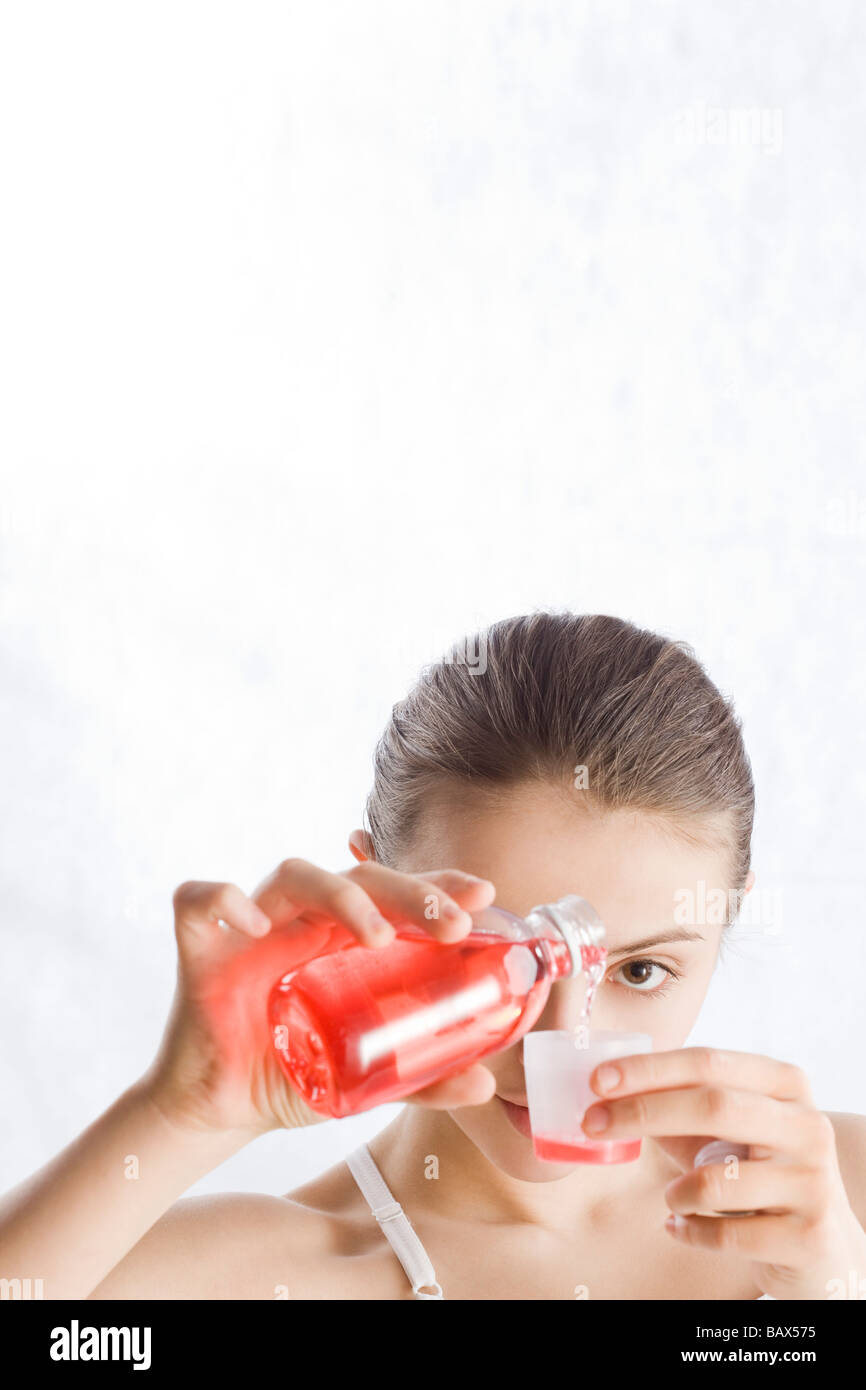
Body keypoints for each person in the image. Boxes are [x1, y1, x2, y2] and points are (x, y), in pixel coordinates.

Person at [2, 612, 864, 1300]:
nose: (560, 1046)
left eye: (640, 972)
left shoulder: (845, 1198)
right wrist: (181, 1114)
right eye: (502, 956)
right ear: (373, 892)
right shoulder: (263, 1274)